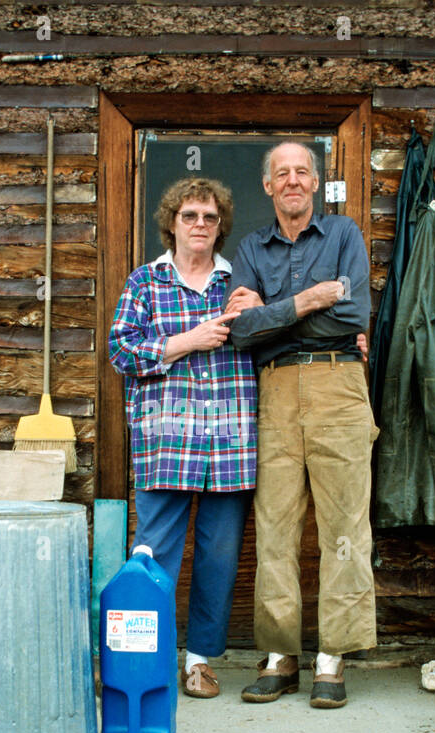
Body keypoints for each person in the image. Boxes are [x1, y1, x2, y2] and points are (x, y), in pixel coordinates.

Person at [225, 141, 377, 709]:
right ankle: (280, 657)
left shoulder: (344, 235)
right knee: (276, 527)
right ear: (267, 187)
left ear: (316, 183)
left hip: (340, 387)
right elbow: (240, 332)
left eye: (301, 173)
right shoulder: (249, 247)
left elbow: (354, 314)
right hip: (277, 392)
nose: (291, 181)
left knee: (344, 527)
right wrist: (311, 299)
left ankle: (332, 659)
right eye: (280, 174)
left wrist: (273, 312)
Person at [108, 177, 255, 700]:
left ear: (220, 228)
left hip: (231, 445)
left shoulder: (240, 283)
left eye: (210, 218)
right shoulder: (146, 282)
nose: (200, 225)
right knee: (154, 555)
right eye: (190, 215)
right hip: (164, 443)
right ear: (171, 221)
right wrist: (184, 342)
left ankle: (199, 662)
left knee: (217, 559)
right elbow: (121, 352)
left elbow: (274, 339)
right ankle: (143, 661)